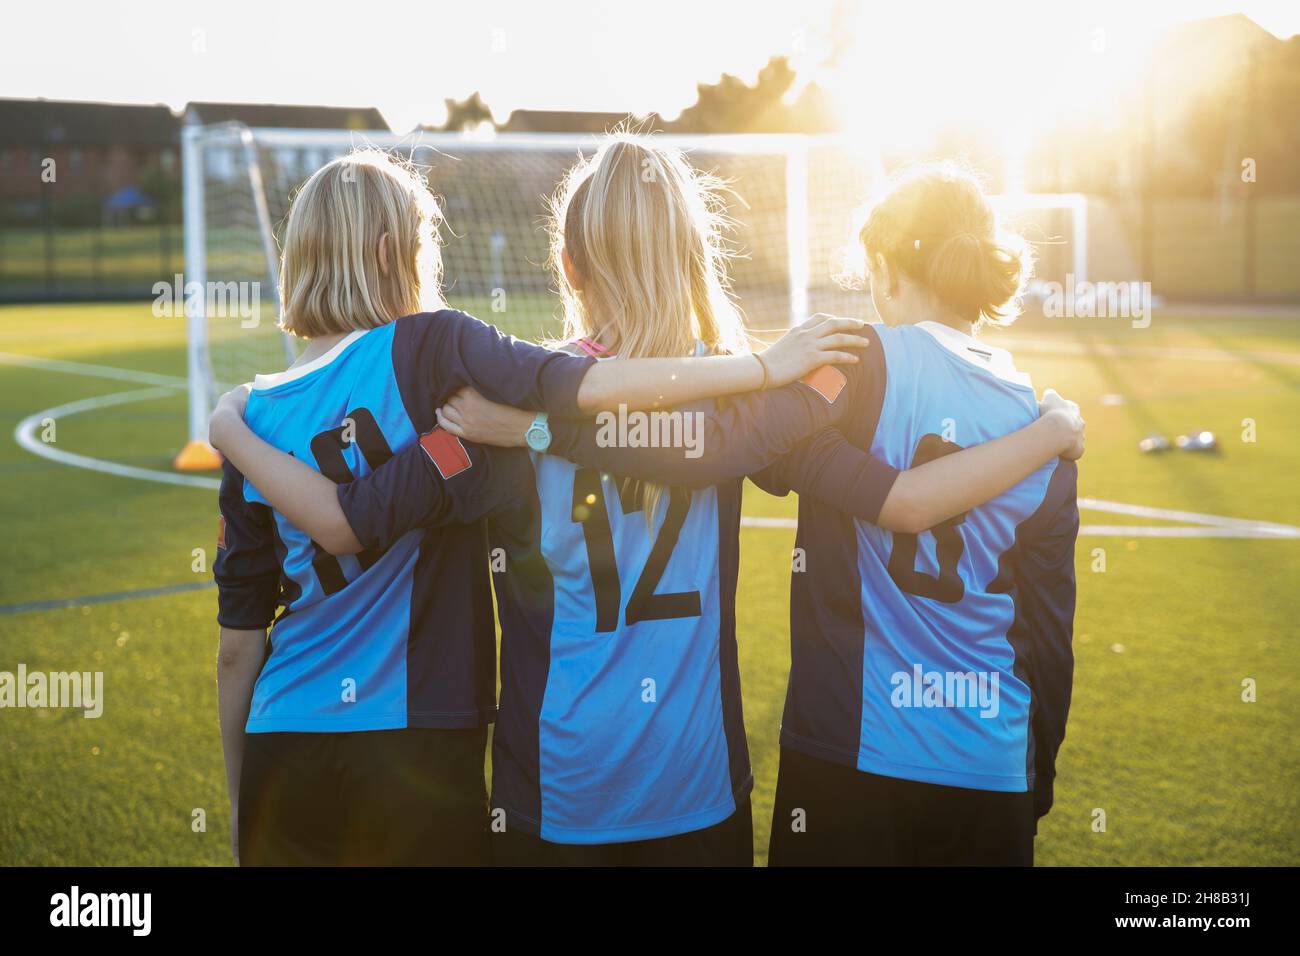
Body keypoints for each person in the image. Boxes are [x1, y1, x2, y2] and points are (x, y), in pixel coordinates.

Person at [211, 139, 1084, 865]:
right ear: (694, 258)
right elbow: (718, 450)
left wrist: (251, 434)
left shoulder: (500, 415)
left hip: (555, 789)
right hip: (696, 788)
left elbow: (356, 518)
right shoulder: (747, 408)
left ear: (566, 263)